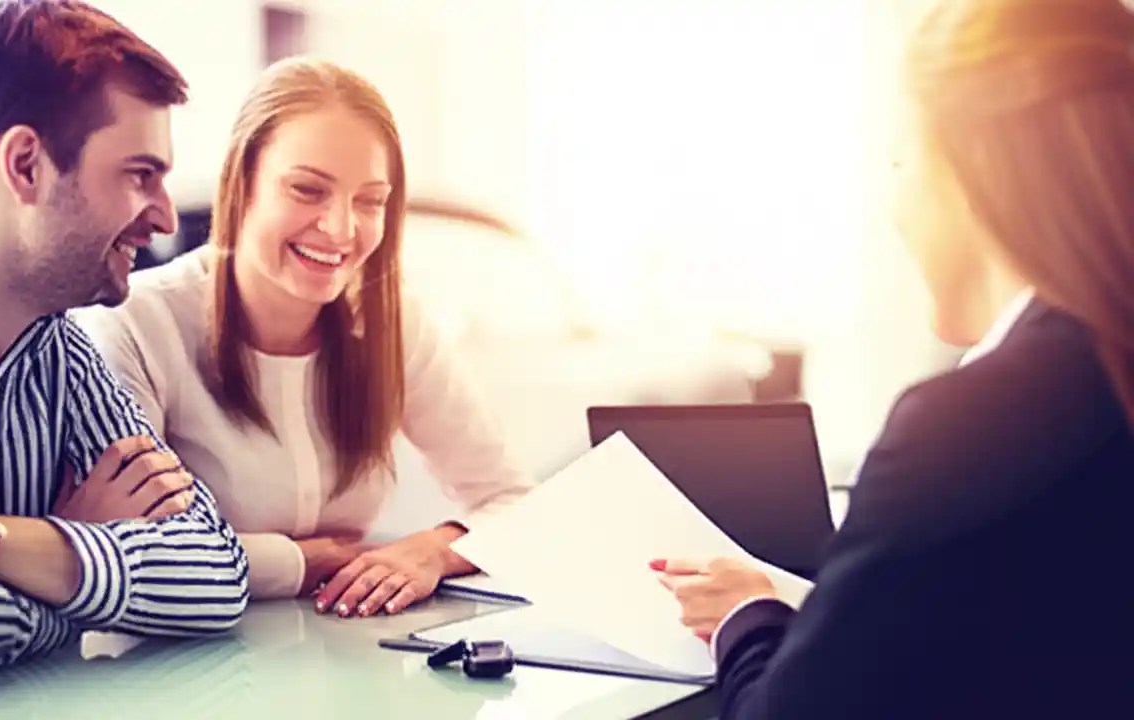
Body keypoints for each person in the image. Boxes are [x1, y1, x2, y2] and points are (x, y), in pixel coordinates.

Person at [652, 0, 1134, 717]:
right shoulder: (1097, 377)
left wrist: (747, 618)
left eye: (902, 160)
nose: (894, 205)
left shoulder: (971, 426)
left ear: (974, 172)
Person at [0, 0, 249, 696]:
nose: (162, 216)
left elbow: (216, 573)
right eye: (139, 174)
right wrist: (66, 569)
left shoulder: (60, 350)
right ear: (27, 165)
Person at [73, 58, 532, 618]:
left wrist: (433, 549)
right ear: (242, 182)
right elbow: (126, 553)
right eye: (308, 190)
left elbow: (514, 503)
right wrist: (297, 562)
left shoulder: (394, 321)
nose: (341, 229)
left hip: (346, 652)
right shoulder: (135, 324)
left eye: (369, 201)